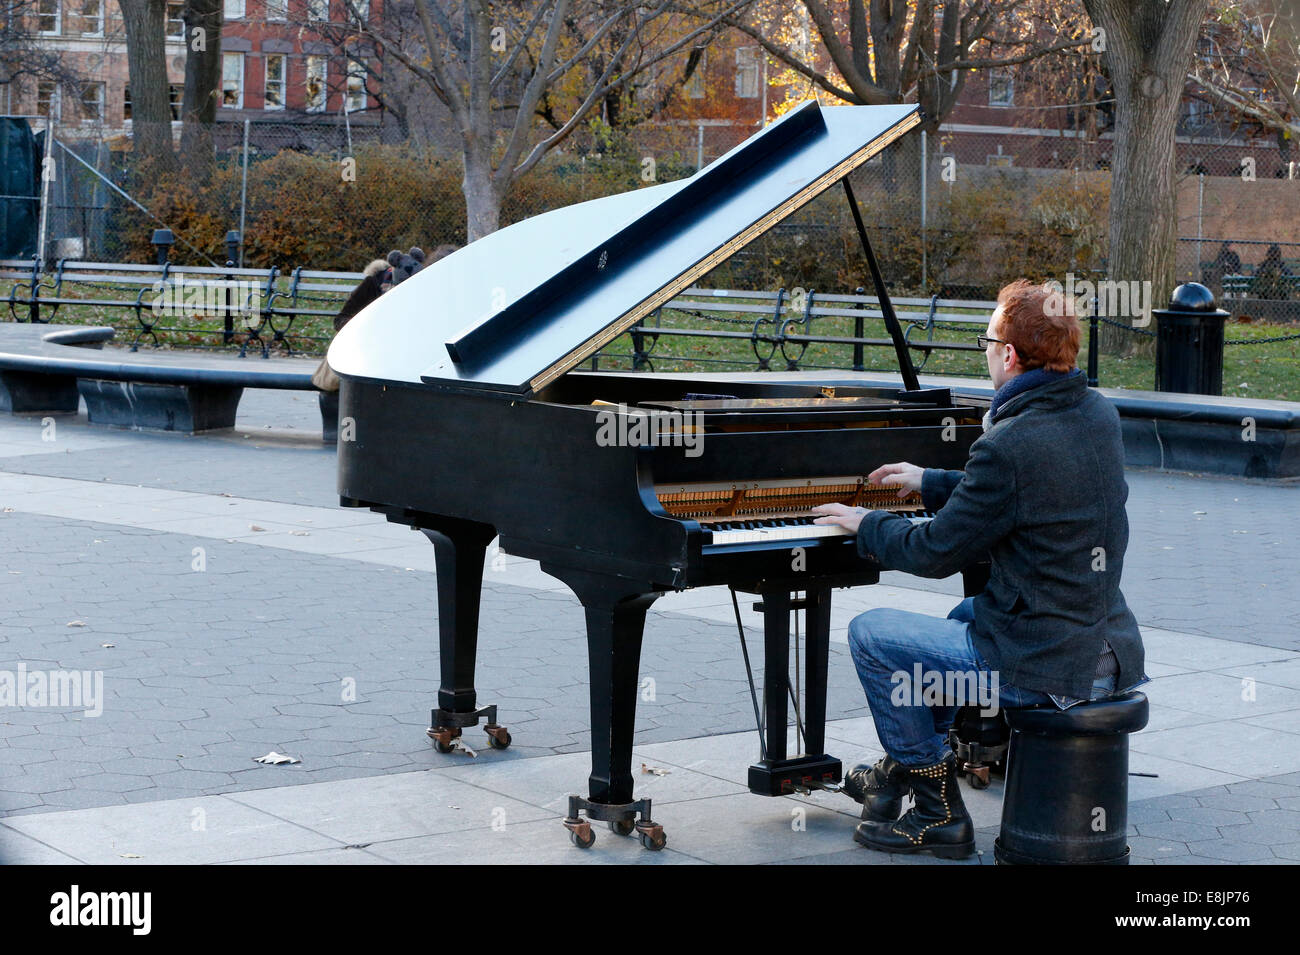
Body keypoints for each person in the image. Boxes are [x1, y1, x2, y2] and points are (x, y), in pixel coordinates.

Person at [812, 278, 1147, 859]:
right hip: (1108, 647)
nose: (987, 351)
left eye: (987, 340)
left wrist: (864, 523)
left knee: (872, 635)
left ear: (1010, 354)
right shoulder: (1096, 413)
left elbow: (932, 553)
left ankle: (938, 810)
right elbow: (1027, 492)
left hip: (1049, 667)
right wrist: (930, 480)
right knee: (964, 612)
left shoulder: (1011, 442)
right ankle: (904, 770)